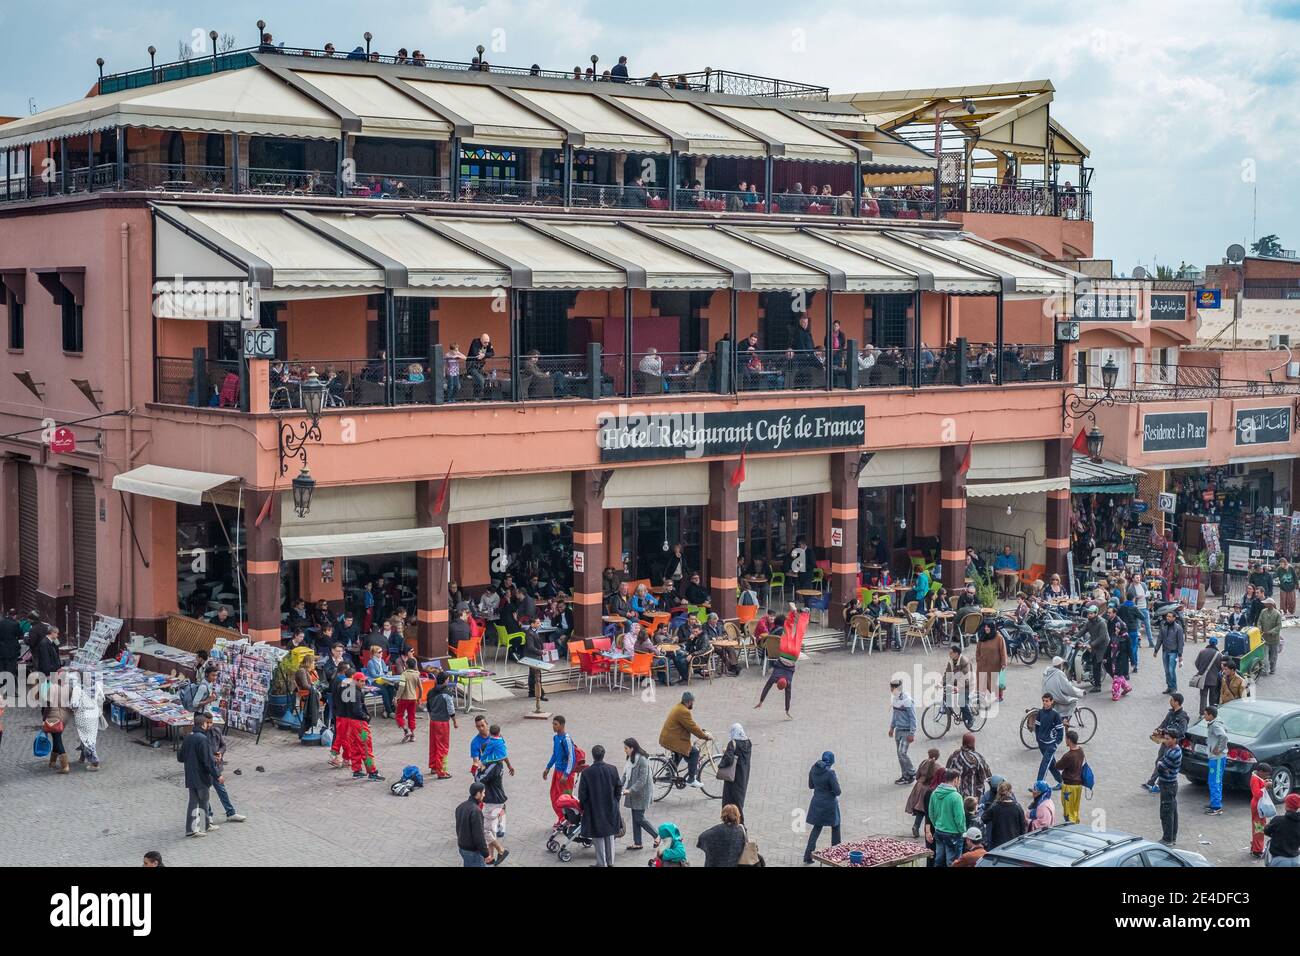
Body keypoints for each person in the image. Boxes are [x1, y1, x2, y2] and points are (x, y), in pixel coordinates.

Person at [577, 744, 622, 867]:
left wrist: (584, 806)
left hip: (594, 809)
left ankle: (602, 863)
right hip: (610, 807)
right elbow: (619, 787)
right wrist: (615, 801)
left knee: (598, 836)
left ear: (593, 756)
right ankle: (610, 861)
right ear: (603, 755)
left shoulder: (586, 773)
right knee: (609, 835)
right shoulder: (612, 769)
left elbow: (582, 794)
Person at [659, 692, 711, 787]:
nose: (693, 704)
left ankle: (670, 772)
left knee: (682, 752)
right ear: (689, 702)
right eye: (692, 702)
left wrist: (700, 731)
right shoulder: (684, 711)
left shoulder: (678, 707)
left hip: (668, 738)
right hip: (673, 740)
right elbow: (692, 727)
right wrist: (704, 736)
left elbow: (690, 724)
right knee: (694, 752)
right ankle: (691, 779)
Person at [179, 711, 219, 837]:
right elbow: (208, 761)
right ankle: (202, 826)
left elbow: (180, 757)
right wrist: (217, 775)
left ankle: (195, 828)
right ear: (203, 725)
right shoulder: (203, 739)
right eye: (207, 723)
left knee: (194, 802)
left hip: (190, 776)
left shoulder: (188, 737)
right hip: (201, 776)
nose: (208, 726)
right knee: (203, 801)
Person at [476, 733, 510, 866]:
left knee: (484, 830)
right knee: (490, 830)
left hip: (493, 801)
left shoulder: (492, 766)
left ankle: (501, 850)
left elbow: (480, 780)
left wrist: (478, 769)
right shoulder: (497, 763)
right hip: (494, 800)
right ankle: (490, 857)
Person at [205, 716, 247, 825]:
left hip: (216, 766)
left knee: (222, 790)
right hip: (206, 767)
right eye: (207, 723)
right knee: (205, 792)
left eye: (211, 722)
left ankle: (230, 812)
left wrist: (220, 753)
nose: (209, 725)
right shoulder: (200, 735)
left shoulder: (216, 731)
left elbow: (223, 745)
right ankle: (208, 815)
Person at [802, 751, 842, 864]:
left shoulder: (813, 768)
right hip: (829, 805)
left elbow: (811, 786)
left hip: (816, 802)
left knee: (816, 828)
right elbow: (838, 791)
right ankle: (836, 854)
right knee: (836, 826)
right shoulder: (830, 773)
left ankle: (807, 856)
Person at [1144, 693, 1188, 792]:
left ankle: (1160, 785)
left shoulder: (1183, 718)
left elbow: (1181, 732)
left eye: (1172, 700)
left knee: (1166, 764)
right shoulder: (1170, 713)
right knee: (1158, 761)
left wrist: (1166, 732)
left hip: (1171, 744)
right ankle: (1151, 782)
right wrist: (1158, 729)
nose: (1170, 701)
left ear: (1177, 702)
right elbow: (1164, 723)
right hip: (1165, 741)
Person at [621, 737, 656, 851]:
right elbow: (626, 775)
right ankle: (637, 842)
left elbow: (642, 780)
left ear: (632, 748)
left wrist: (629, 790)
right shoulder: (630, 758)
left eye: (626, 748)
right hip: (634, 794)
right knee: (635, 817)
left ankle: (657, 835)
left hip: (642, 793)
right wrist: (619, 786)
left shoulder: (642, 760)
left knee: (639, 818)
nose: (624, 750)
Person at [543, 715, 578, 825]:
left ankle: (568, 821)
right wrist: (548, 768)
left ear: (562, 725)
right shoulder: (556, 738)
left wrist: (566, 774)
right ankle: (562, 818)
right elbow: (555, 754)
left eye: (555, 724)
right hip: (557, 772)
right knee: (554, 796)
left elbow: (572, 758)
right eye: (553, 724)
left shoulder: (566, 739)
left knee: (566, 798)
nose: (553, 726)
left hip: (566, 775)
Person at [928, 769, 967, 866]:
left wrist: (937, 824)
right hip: (953, 834)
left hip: (939, 831)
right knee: (953, 862)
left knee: (939, 859)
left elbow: (931, 813)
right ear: (955, 780)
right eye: (959, 779)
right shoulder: (956, 796)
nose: (960, 782)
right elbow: (959, 818)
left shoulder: (935, 793)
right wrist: (962, 831)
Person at [425, 670, 457, 779]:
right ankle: (442, 771)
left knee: (433, 745)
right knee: (443, 747)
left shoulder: (430, 692)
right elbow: (450, 709)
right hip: (443, 722)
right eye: (448, 679)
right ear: (445, 680)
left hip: (433, 721)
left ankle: (434, 767)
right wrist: (454, 721)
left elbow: (428, 708)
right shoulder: (447, 693)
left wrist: (432, 716)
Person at [71, 673, 105, 771]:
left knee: (87, 738)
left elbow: (74, 704)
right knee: (90, 735)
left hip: (83, 715)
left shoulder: (77, 688)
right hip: (93, 714)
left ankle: (94, 762)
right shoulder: (97, 685)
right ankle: (82, 756)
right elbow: (102, 698)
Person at [1155, 727, 1182, 846]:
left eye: (1167, 739)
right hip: (1169, 784)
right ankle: (1172, 837)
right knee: (1172, 811)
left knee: (1166, 813)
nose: (1165, 741)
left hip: (1168, 785)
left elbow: (1160, 766)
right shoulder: (1171, 749)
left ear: (1174, 739)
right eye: (1164, 738)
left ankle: (1168, 839)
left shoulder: (1173, 753)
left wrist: (1160, 764)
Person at [982, 780, 1027, 849]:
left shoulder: (995, 807)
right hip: (1013, 843)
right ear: (1010, 792)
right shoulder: (1017, 807)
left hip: (997, 844)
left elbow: (984, 818)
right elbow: (1023, 827)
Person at [906, 748, 941, 838]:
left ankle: (916, 826)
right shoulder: (938, 767)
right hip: (929, 789)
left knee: (920, 809)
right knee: (928, 811)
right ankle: (928, 830)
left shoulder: (924, 763)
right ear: (937, 757)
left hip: (919, 787)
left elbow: (917, 776)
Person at [946, 731, 992, 799]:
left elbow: (947, 772)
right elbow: (987, 776)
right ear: (973, 743)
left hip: (956, 795)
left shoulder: (954, 756)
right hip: (973, 796)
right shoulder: (977, 758)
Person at [888, 679, 917, 784]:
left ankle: (912, 772)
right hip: (898, 730)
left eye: (893, 688)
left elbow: (913, 718)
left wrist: (912, 733)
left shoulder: (907, 700)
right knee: (899, 755)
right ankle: (905, 776)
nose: (891, 690)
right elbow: (895, 715)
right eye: (891, 688)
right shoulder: (895, 699)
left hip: (906, 731)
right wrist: (892, 728)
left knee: (902, 753)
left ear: (898, 688)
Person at [1054, 730, 1086, 824]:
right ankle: (1076, 823)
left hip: (1069, 786)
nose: (1065, 741)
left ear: (1069, 740)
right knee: (1075, 809)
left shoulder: (1068, 756)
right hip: (1079, 785)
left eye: (1066, 739)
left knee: (1068, 811)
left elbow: (1058, 766)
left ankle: (1071, 827)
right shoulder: (1080, 751)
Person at [455, 782, 490, 867]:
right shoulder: (475, 811)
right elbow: (478, 835)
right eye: (483, 792)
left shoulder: (460, 806)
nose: (484, 795)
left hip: (462, 847)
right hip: (472, 851)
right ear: (478, 793)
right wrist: (486, 853)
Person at [1033, 692, 1065, 785]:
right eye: (1043, 701)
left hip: (1051, 745)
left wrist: (1056, 743)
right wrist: (1038, 739)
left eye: (1047, 701)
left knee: (1044, 765)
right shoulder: (1040, 712)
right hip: (1042, 744)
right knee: (1051, 765)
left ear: (1051, 702)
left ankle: (1038, 786)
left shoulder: (1055, 715)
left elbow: (1060, 730)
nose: (1045, 703)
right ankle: (1061, 781)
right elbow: (1037, 726)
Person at [1202, 704, 1228, 817]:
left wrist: (1219, 749)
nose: (1204, 716)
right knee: (1216, 781)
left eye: (1205, 714)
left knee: (1215, 782)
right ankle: (1215, 802)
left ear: (1211, 715)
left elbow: (1224, 736)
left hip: (1217, 758)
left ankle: (1216, 807)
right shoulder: (1216, 722)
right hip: (1216, 758)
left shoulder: (1215, 726)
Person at [974, 620, 1007, 706]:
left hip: (994, 665)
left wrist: (1003, 663)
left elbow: (1003, 651)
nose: (986, 628)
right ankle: (980, 696)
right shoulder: (982, 637)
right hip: (982, 664)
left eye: (988, 627)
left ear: (992, 627)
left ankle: (998, 695)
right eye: (985, 627)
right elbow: (978, 650)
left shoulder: (999, 638)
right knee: (981, 680)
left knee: (994, 681)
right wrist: (978, 659)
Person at [1153, 607, 1185, 693]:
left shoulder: (1178, 628)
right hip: (1165, 652)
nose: (1168, 618)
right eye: (1167, 616)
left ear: (1174, 618)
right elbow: (1160, 638)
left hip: (1173, 653)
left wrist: (1180, 655)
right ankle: (1169, 686)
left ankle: (1174, 688)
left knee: (1171, 670)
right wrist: (1156, 650)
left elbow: (1180, 642)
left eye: (1170, 616)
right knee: (1166, 671)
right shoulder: (1163, 626)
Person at [942, 643, 974, 729]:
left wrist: (958, 688)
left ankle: (970, 718)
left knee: (961, 702)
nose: (949, 654)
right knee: (945, 689)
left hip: (967, 684)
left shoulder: (964, 661)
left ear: (956, 654)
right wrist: (941, 683)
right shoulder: (951, 661)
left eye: (951, 653)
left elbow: (966, 678)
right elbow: (947, 674)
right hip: (957, 682)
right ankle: (947, 708)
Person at [1264, 794, 1300, 866]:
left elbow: (1266, 831)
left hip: (1279, 860)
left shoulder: (1278, 820)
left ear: (1286, 805)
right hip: (1296, 859)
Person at [1192, 636, 1224, 715]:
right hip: (1214, 680)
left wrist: (1202, 671)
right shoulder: (1219, 655)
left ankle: (1202, 714)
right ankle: (1211, 714)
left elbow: (1196, 663)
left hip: (1203, 679)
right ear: (1216, 644)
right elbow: (1221, 668)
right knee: (1213, 698)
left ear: (1209, 642)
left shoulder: (1202, 652)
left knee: (1203, 697)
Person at [395, 656, 421, 743]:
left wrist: (397, 697)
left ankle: (406, 730)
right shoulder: (416, 674)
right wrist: (419, 698)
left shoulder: (404, 674)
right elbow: (421, 688)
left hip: (404, 698)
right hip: (413, 698)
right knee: (411, 717)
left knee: (399, 715)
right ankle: (413, 735)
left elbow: (401, 687)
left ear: (406, 665)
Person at [1250, 764, 1274, 858]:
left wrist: (1264, 782)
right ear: (1260, 772)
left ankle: (1255, 847)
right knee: (1259, 828)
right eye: (1266, 775)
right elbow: (1257, 793)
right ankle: (1257, 851)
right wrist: (1266, 785)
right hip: (1258, 806)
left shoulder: (1257, 777)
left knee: (1257, 827)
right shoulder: (1255, 779)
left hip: (1258, 805)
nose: (1267, 776)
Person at [1257, 596, 1282, 675]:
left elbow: (1279, 626)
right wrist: (1259, 628)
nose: (1265, 605)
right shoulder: (1263, 611)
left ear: (1271, 605)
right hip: (1264, 638)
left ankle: (1272, 669)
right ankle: (1264, 670)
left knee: (1273, 657)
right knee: (1264, 656)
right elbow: (1259, 621)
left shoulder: (1277, 614)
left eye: (1266, 604)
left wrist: (1271, 632)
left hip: (1274, 639)